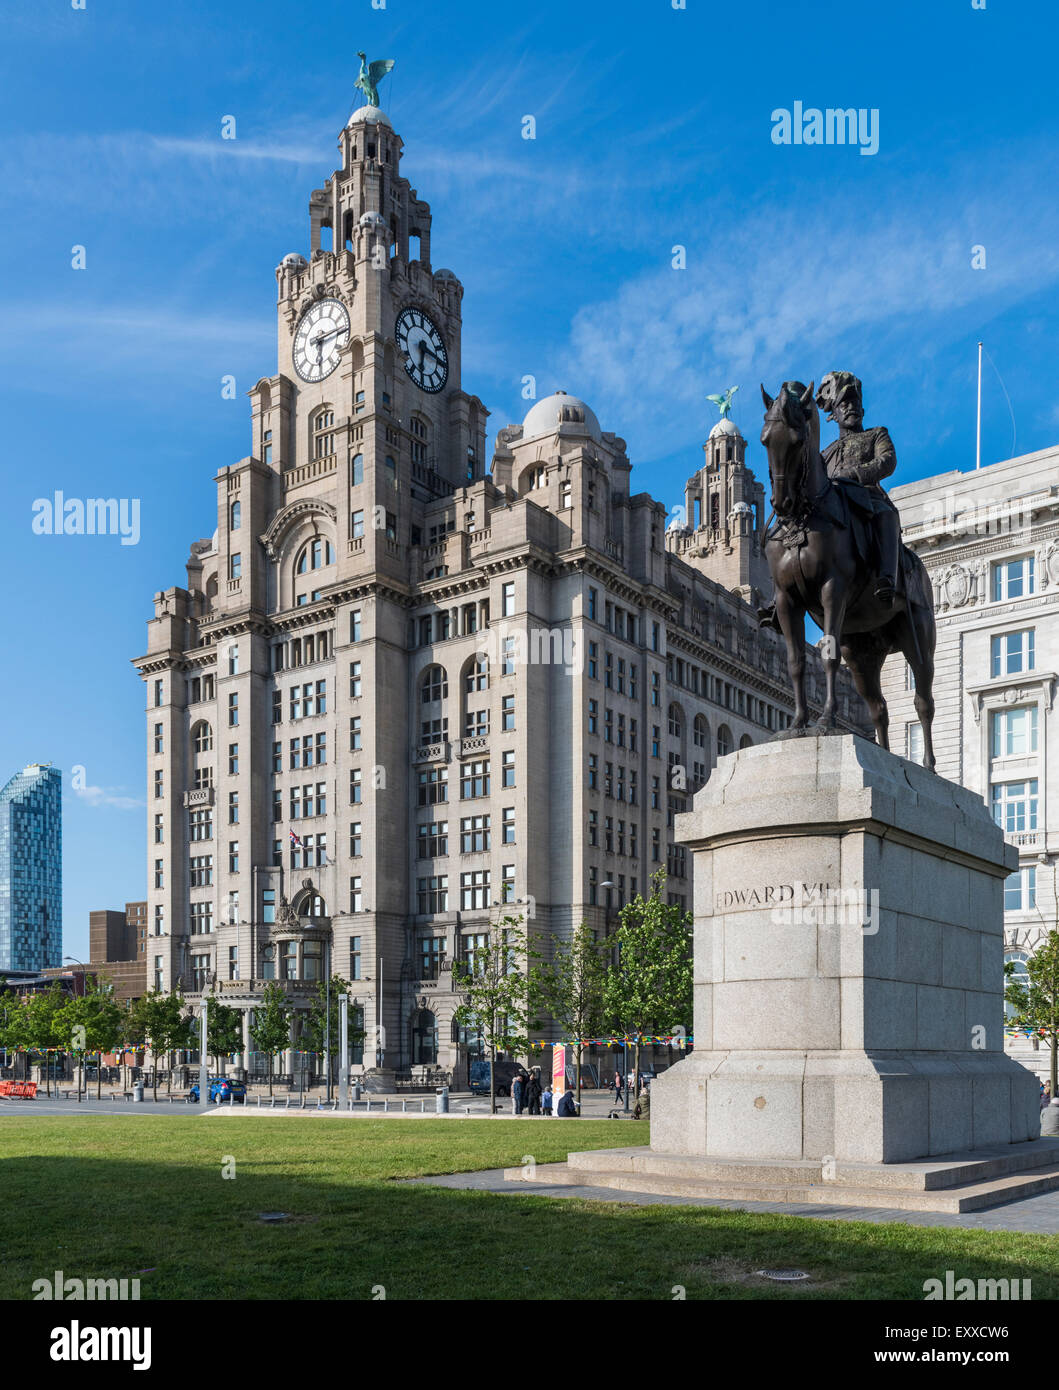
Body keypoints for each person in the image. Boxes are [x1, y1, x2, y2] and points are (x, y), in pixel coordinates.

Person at [814, 371, 902, 606]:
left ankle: (887, 578)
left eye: (855, 403)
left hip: (867, 498)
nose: (850, 407)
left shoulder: (876, 434)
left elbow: (887, 460)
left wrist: (854, 475)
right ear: (833, 414)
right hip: (834, 504)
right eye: (844, 404)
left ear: (862, 410)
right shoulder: (826, 453)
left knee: (886, 516)